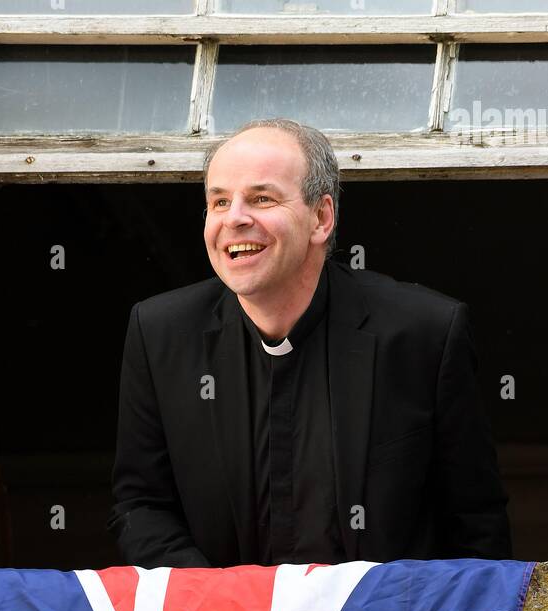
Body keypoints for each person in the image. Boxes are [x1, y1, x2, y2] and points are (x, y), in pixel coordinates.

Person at [108, 117, 512, 568]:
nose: (235, 218)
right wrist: (225, 604)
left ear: (321, 218)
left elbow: (476, 523)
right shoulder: (159, 332)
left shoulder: (425, 332)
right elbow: (140, 507)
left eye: (261, 198)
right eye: (219, 202)